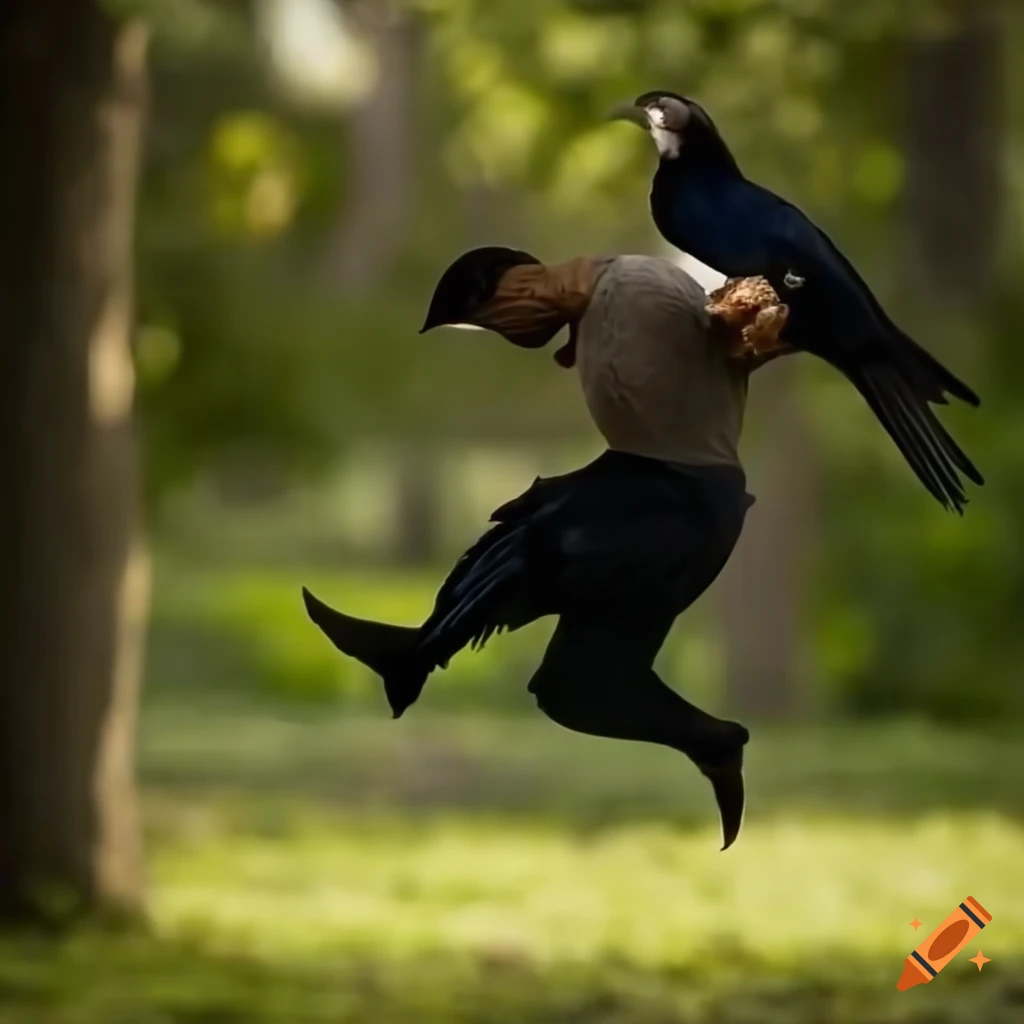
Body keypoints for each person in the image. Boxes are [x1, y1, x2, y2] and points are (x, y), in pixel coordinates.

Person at [303, 246, 791, 850]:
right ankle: (712, 741)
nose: (501, 332)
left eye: (492, 317)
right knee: (573, 690)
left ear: (518, 284)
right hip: (664, 491)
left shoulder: (630, 292)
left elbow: (695, 365)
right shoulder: (604, 309)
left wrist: (747, 328)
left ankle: (416, 652)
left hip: (680, 500)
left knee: (544, 536)